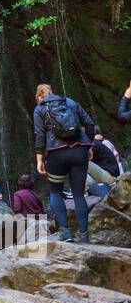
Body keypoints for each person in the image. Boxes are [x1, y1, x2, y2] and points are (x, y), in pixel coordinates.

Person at [33, 83, 95, 243]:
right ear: (52, 93)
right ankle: (83, 235)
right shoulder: (70, 102)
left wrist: (39, 158)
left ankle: (66, 233)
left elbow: (39, 134)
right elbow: (89, 123)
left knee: (55, 192)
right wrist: (89, 146)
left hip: (56, 153)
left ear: (39, 97)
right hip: (79, 150)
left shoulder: (40, 109)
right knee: (79, 194)